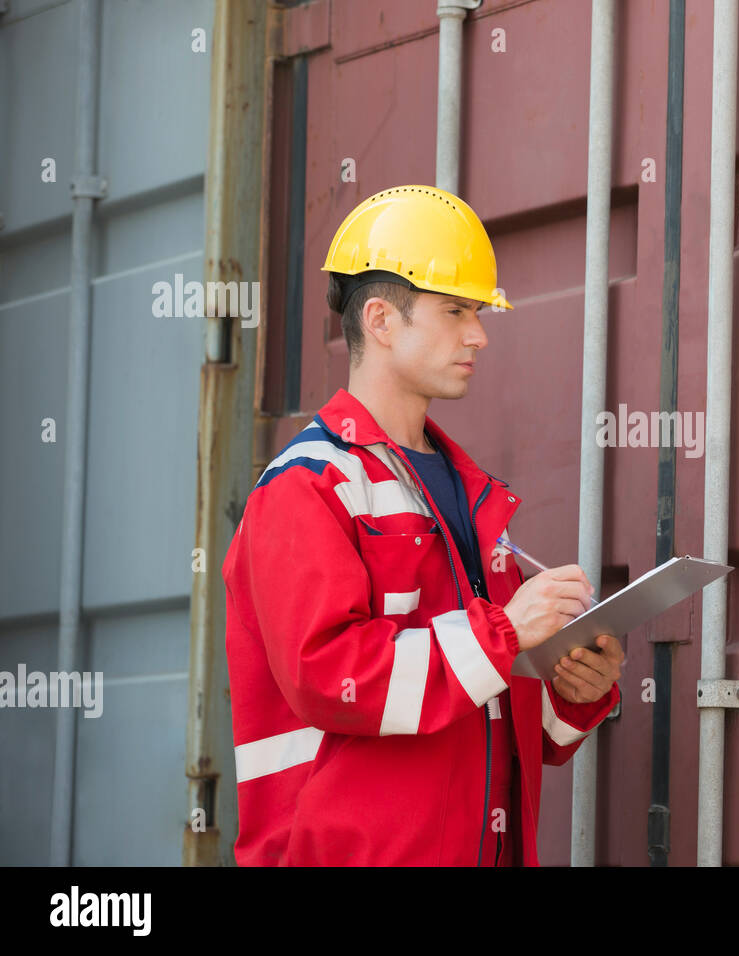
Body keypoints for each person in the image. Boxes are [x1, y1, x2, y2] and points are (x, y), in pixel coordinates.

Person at [221, 185, 623, 866]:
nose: (479, 333)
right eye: (456, 310)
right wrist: (505, 632)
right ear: (380, 320)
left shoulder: (470, 495)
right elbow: (329, 676)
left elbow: (484, 702)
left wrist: (571, 692)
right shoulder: (305, 488)